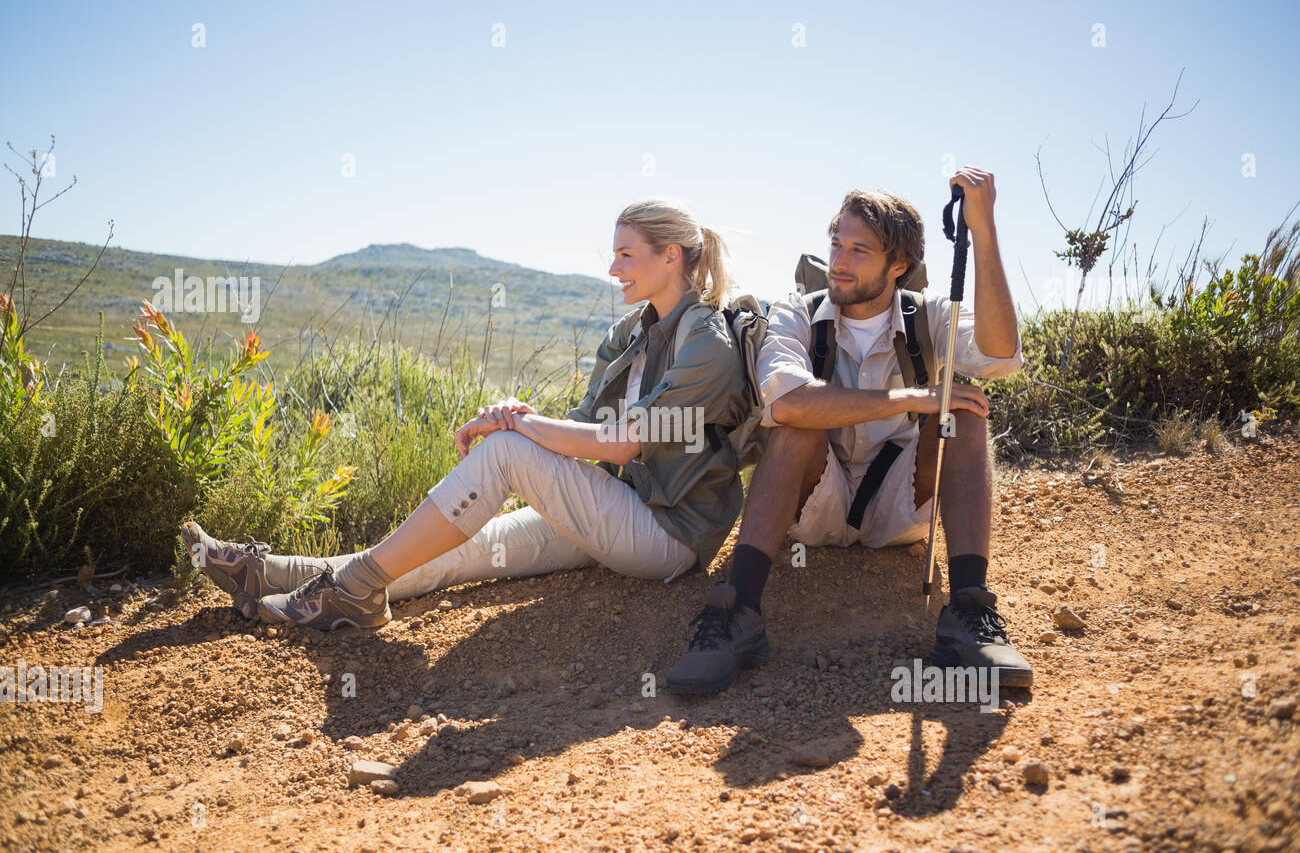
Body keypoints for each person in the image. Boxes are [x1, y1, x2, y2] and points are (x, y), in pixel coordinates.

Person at [182, 198, 751, 631]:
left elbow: (624, 444)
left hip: (666, 537)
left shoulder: (707, 342)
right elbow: (587, 428)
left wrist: (517, 428)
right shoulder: (633, 332)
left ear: (670, 256)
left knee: (504, 450)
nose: (612, 267)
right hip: (614, 508)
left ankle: (356, 590)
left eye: (626, 254)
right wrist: (527, 416)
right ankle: (268, 575)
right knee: (455, 554)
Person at [667, 168, 1033, 694]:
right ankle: (736, 615)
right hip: (817, 506)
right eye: (837, 243)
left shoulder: (928, 315)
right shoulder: (798, 313)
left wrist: (983, 230)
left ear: (899, 265)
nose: (838, 262)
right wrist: (910, 397)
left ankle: (969, 615)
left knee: (965, 410)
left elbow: (1000, 356)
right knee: (797, 421)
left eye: (859, 251)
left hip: (900, 503)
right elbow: (788, 402)